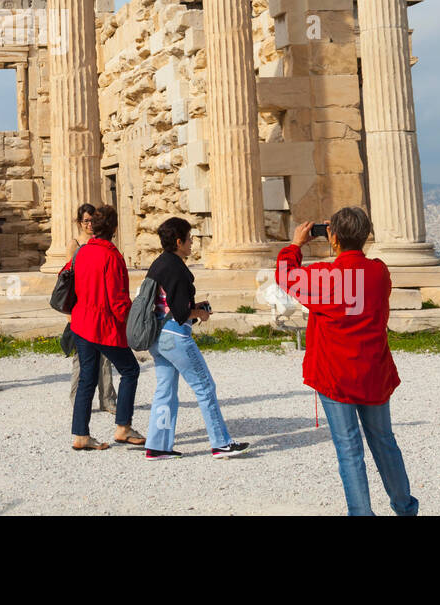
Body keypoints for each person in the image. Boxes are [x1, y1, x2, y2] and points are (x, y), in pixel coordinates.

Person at [277, 207, 418, 516]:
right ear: (366, 236)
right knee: (384, 441)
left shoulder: (323, 277)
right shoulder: (380, 272)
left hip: (335, 374)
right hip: (373, 371)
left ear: (333, 237)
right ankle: (405, 508)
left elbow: (286, 277)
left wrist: (295, 244)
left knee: (349, 449)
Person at [143, 217, 247, 459]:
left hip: (157, 336)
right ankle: (221, 443)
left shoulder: (159, 264)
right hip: (175, 336)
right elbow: (180, 313)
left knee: (165, 390)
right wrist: (200, 312)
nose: (192, 244)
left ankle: (158, 446)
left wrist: (194, 306)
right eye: (189, 239)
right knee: (205, 386)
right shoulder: (177, 268)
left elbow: (167, 303)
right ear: (179, 242)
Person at [66, 205, 143, 451]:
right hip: (102, 324)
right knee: (130, 370)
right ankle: (123, 427)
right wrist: (135, 323)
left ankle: (81, 435)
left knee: (87, 377)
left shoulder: (82, 252)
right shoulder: (111, 256)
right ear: (114, 228)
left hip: (81, 321)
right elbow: (117, 300)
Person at [65, 203, 117, 415]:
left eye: (91, 220)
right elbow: (69, 280)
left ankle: (108, 399)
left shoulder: (102, 244)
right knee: (82, 358)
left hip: (101, 305)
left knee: (106, 355)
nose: (89, 224)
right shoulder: (75, 245)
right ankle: (77, 399)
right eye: (85, 221)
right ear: (79, 223)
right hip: (82, 306)